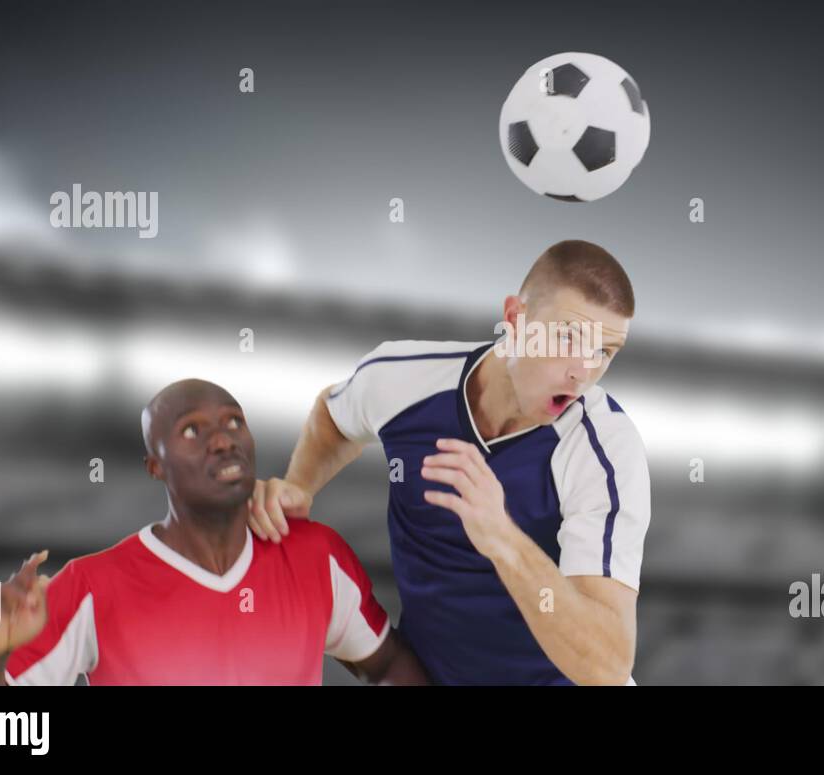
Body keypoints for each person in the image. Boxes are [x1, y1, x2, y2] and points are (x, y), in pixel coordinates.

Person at [250, 240, 651, 685]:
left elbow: (608, 663)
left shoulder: (606, 449)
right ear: (516, 319)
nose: (584, 370)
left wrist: (502, 539)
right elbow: (334, 414)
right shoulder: (403, 378)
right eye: (569, 337)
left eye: (606, 351)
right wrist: (301, 485)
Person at [0, 379, 428, 685]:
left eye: (234, 422)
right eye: (192, 431)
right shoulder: (92, 586)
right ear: (155, 466)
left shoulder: (314, 555)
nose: (223, 439)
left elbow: (388, 665)